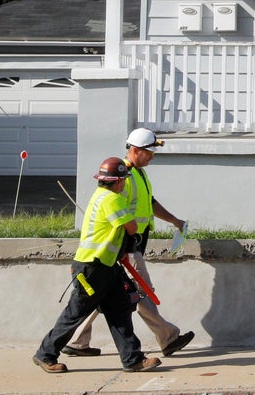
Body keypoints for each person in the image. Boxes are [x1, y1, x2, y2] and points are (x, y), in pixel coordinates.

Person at [63, 128, 195, 358]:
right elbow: (117, 215)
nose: (152, 156)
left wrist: (174, 221)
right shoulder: (124, 177)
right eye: (149, 152)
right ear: (135, 150)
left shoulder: (139, 174)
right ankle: (168, 337)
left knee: (106, 294)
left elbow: (150, 203)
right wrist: (123, 250)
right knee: (142, 292)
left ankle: (77, 341)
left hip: (132, 246)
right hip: (126, 248)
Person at [33, 157, 161, 374]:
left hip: (105, 267)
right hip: (92, 269)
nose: (124, 184)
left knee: (120, 311)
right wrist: (131, 240)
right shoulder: (113, 199)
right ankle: (45, 354)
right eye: (123, 180)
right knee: (75, 314)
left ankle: (133, 359)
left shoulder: (100, 195)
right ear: (119, 181)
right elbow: (131, 227)